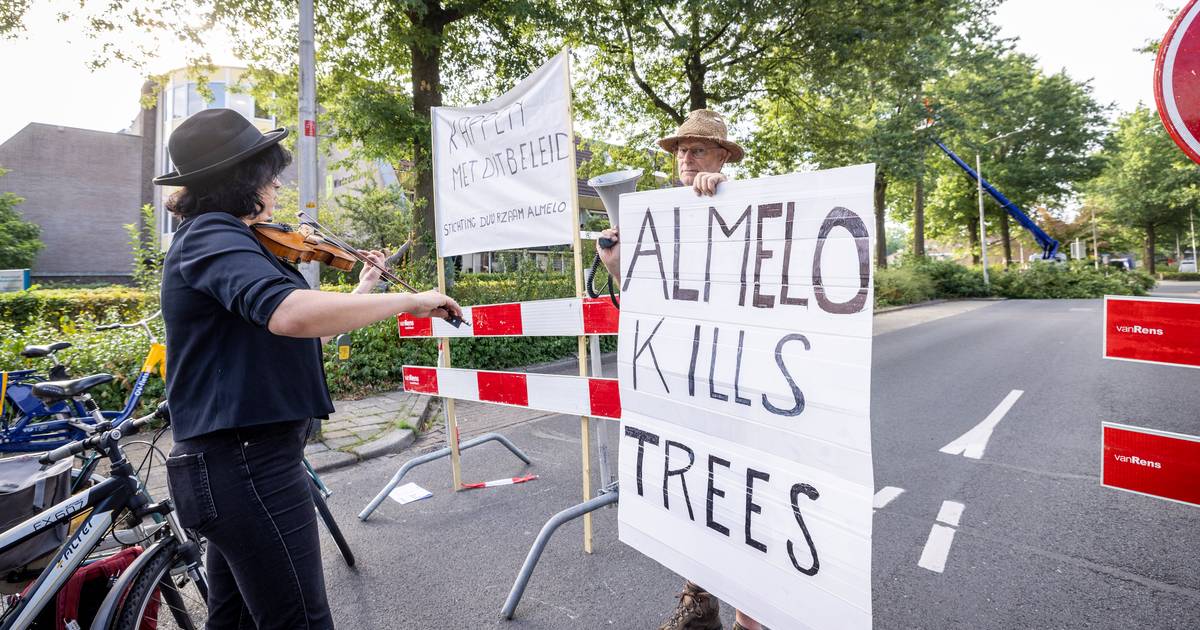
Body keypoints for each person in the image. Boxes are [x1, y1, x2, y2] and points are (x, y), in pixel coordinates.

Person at [155, 108, 461, 629]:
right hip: (247, 464)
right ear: (240, 180)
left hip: (234, 465)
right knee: (300, 621)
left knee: (235, 623)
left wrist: (365, 290)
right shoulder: (213, 235)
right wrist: (410, 303)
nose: (276, 184)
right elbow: (291, 313)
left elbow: (306, 326)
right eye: (267, 172)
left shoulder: (227, 239)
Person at [597, 109, 763, 630]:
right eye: (680, 153)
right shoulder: (662, 214)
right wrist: (615, 258)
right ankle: (698, 599)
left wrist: (725, 196)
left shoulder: (740, 205)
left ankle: (751, 619)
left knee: (750, 503)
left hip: (742, 382)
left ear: (722, 159)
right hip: (690, 382)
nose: (686, 161)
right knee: (700, 497)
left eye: (698, 152)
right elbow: (645, 295)